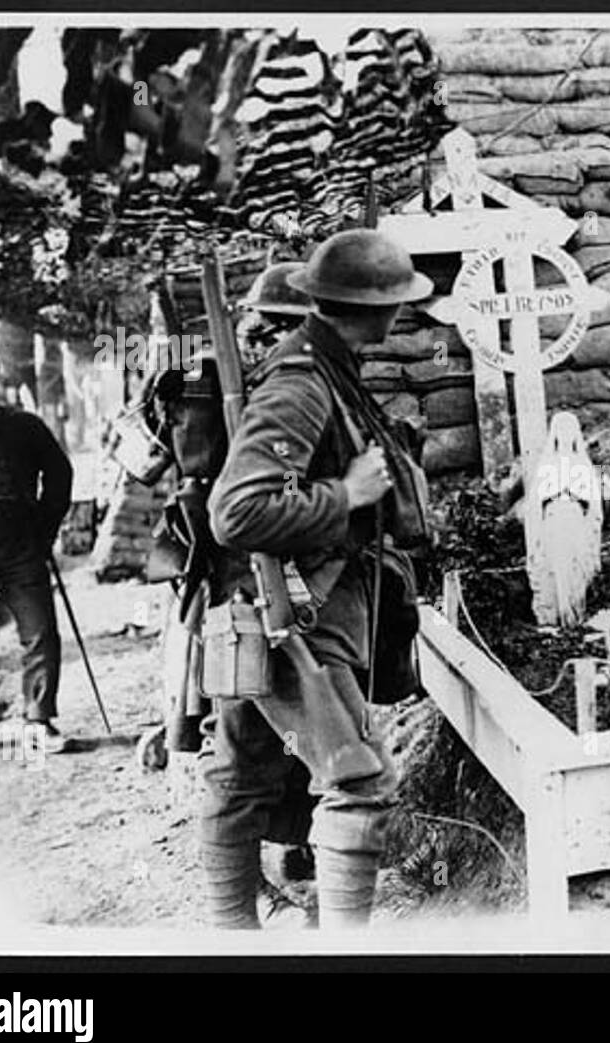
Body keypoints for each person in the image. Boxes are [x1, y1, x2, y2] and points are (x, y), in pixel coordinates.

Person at [201, 229, 431, 929]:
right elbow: (236, 513)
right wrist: (350, 496)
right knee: (359, 781)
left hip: (283, 601)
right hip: (299, 613)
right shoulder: (303, 381)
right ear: (379, 309)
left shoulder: (326, 366)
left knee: (240, 773)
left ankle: (229, 934)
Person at [0, 344, 74, 753]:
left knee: (39, 631)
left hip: (20, 543)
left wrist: (45, 528)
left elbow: (59, 473)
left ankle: (39, 718)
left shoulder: (23, 426)